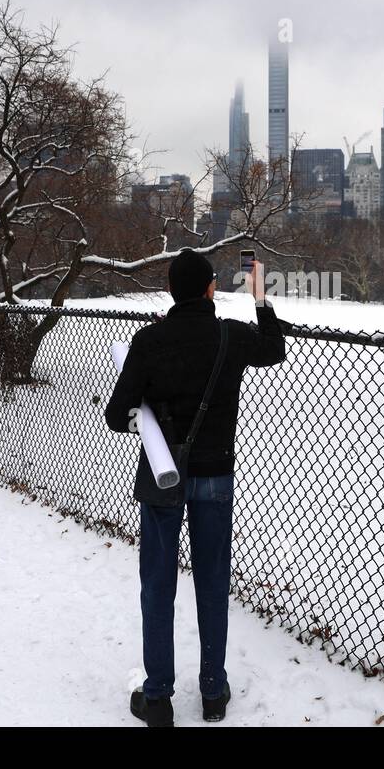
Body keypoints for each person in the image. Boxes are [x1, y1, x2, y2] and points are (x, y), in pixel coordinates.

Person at [105, 248, 286, 726]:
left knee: (158, 585)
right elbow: (274, 347)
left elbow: (115, 415)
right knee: (211, 581)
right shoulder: (230, 335)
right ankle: (212, 691)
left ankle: (158, 697)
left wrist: (149, 412)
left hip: (163, 478)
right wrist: (260, 296)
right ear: (209, 289)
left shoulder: (150, 340)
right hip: (215, 476)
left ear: (171, 291)